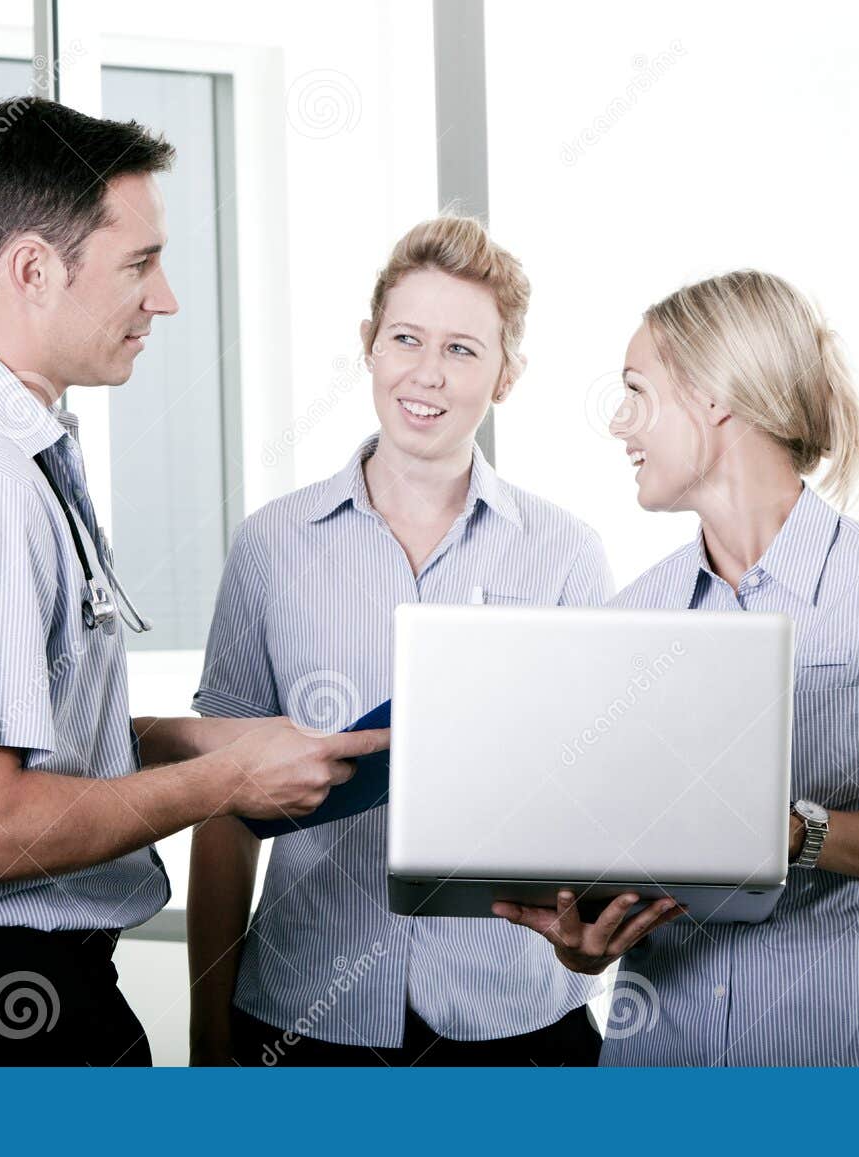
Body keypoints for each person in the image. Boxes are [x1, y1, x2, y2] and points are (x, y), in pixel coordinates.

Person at [0, 97, 385, 1067]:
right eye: (139, 263)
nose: (165, 299)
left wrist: (211, 738)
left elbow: (14, 743)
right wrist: (228, 779)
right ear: (32, 268)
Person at [497, 270, 859, 1065]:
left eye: (637, 391)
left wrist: (797, 835)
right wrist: (583, 944)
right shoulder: (631, 619)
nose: (619, 423)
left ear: (713, 397)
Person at [187, 215, 613, 1066]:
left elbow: (594, 793)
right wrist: (208, 1029)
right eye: (406, 338)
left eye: (463, 349)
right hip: (306, 1015)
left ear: (508, 374)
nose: (426, 372)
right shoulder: (272, 544)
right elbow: (222, 804)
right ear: (369, 346)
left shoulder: (565, 552)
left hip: (517, 1020)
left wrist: (587, 938)